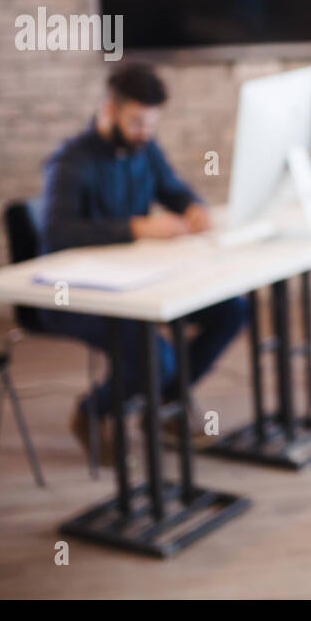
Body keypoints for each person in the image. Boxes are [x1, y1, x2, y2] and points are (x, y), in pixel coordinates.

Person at [38, 64, 249, 462]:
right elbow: (58, 233)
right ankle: (93, 411)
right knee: (159, 357)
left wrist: (192, 208)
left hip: (141, 283)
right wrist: (136, 227)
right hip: (77, 296)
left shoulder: (144, 149)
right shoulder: (70, 161)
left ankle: (165, 403)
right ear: (108, 110)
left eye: (150, 124)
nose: (143, 133)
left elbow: (171, 187)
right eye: (136, 122)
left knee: (232, 311)